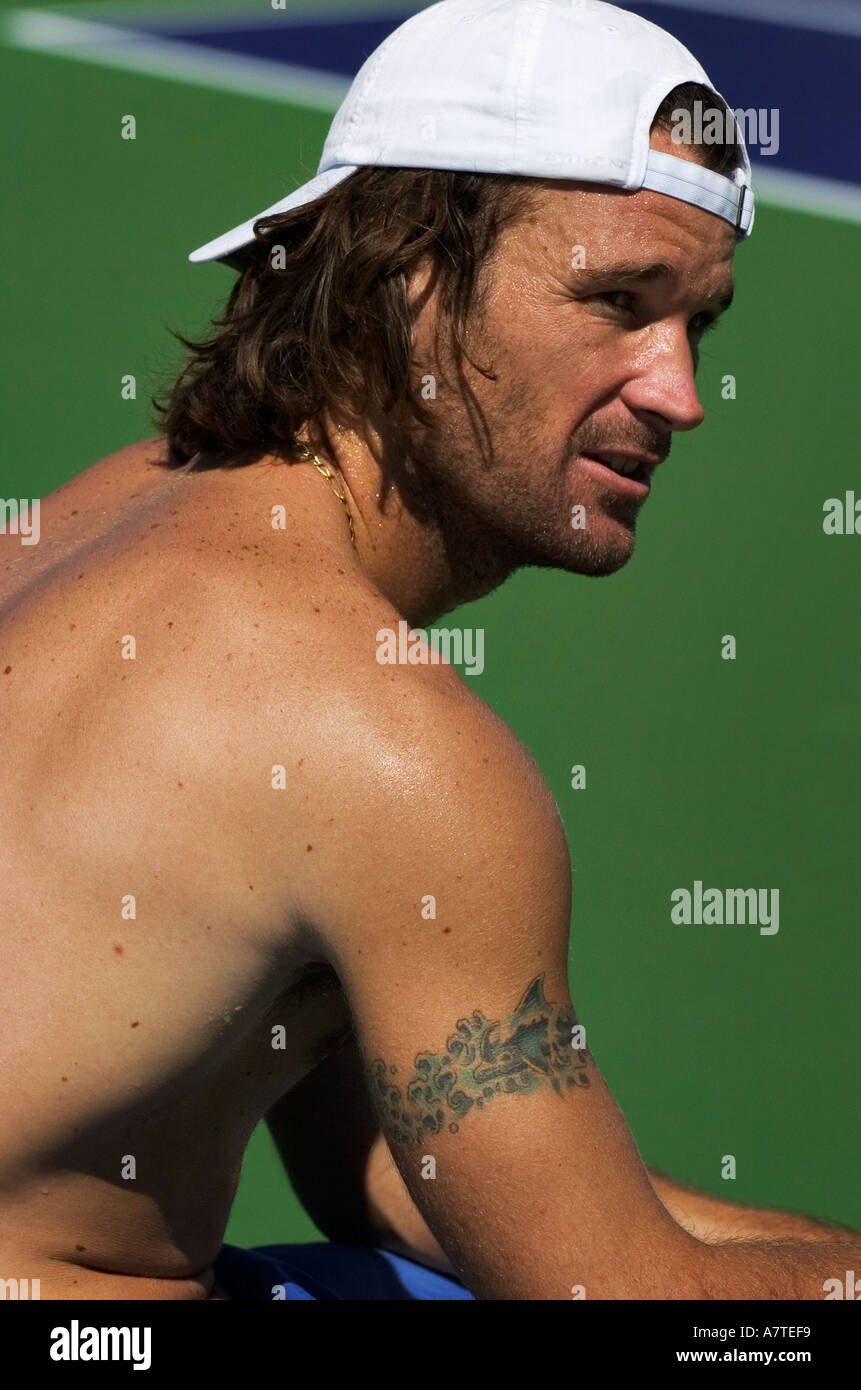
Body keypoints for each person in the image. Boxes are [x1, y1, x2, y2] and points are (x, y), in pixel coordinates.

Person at [1, 0, 856, 1300]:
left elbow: (399, 1168)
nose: (679, 392)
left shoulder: (98, 513)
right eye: (615, 301)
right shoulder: (386, 752)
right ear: (406, 284)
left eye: (695, 324)